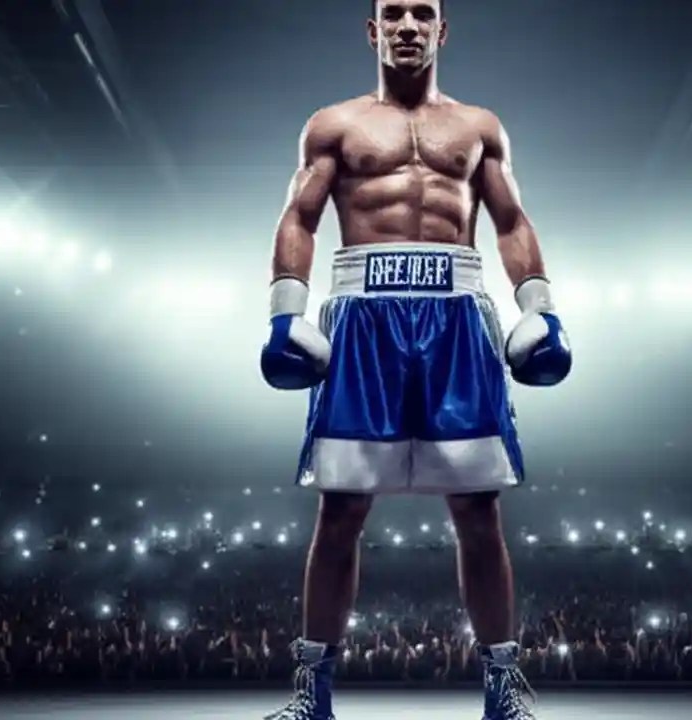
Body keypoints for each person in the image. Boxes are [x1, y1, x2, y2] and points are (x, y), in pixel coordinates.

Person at [259, 1, 571, 718]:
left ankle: (502, 693)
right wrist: (285, 315)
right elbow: (299, 218)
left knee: (478, 508)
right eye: (391, 12)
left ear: (441, 29)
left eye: (420, 12)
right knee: (339, 510)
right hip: (363, 316)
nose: (406, 23)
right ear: (372, 31)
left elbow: (512, 221)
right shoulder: (333, 124)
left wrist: (539, 309)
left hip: (456, 314)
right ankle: (313, 696)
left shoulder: (479, 126)